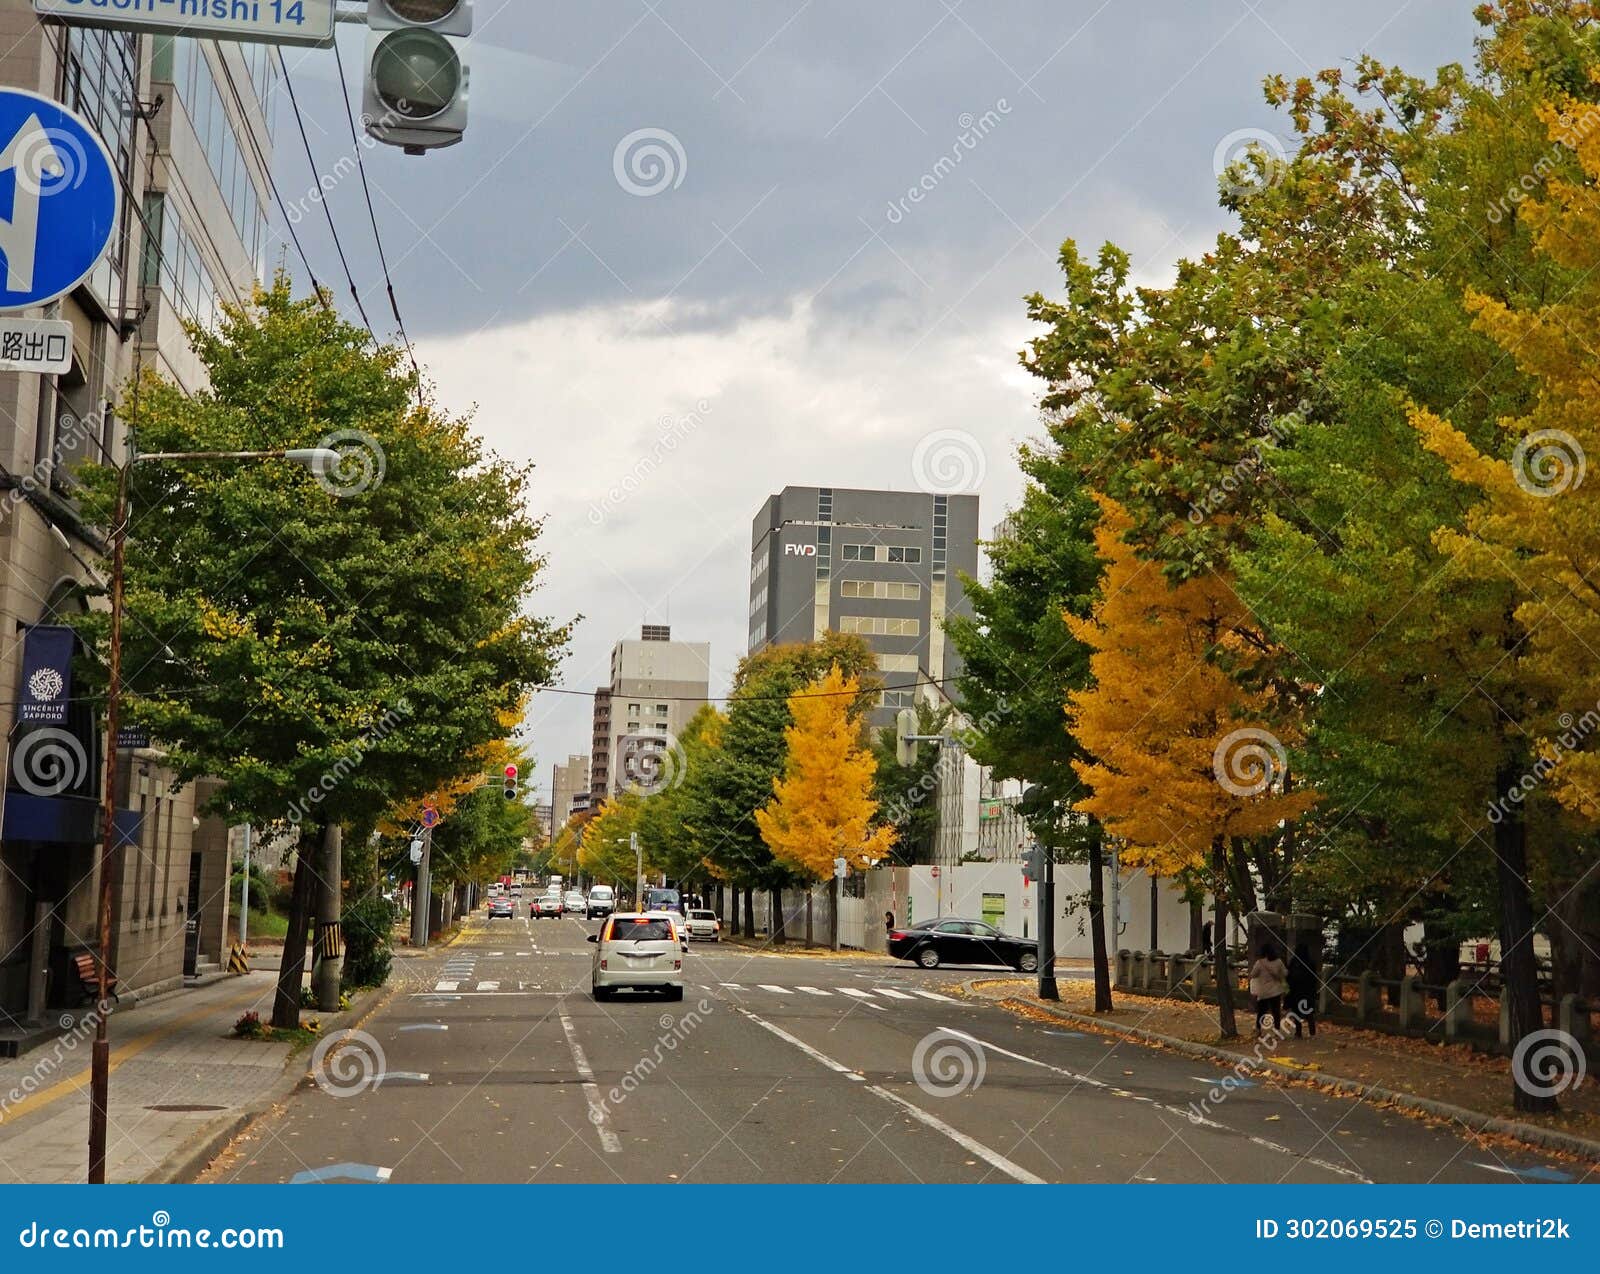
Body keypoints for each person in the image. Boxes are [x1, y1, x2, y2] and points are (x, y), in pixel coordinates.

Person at [1249, 942, 1289, 1035]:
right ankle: (1277, 1030)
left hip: (1263, 992)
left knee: (1261, 1012)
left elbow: (1253, 974)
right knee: (1276, 1012)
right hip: (1275, 991)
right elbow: (1285, 973)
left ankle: (1258, 1029)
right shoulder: (1278, 961)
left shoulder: (1260, 963)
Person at [1287, 943, 1318, 1038]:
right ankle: (1312, 1031)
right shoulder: (1311, 962)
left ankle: (1298, 1032)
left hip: (1296, 990)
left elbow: (1289, 976)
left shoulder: (1293, 962)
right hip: (1308, 991)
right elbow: (1314, 978)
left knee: (1296, 1012)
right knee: (1309, 1012)